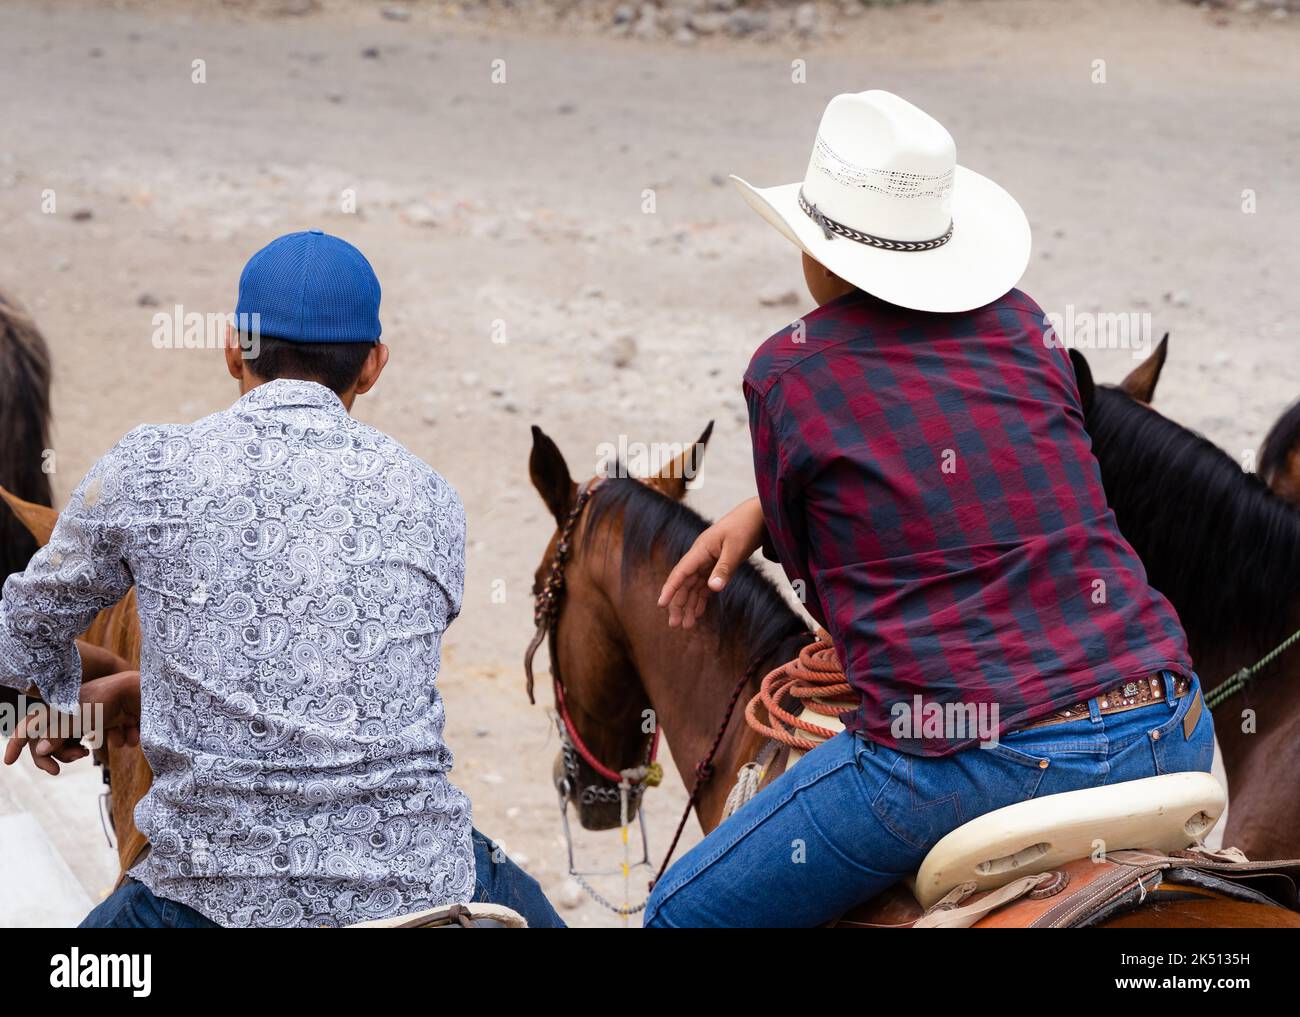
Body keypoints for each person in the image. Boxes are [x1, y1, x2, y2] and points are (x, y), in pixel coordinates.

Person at [645, 91, 1213, 927]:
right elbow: (992, 459)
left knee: (679, 914)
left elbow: (829, 606)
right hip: (1168, 718)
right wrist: (762, 504)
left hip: (967, 758)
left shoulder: (787, 372)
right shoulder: (1025, 324)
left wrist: (782, 511)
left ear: (816, 250)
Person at [0, 230, 563, 928]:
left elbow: (20, 633)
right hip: (415, 876)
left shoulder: (148, 468)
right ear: (374, 366)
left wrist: (61, 697)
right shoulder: (431, 497)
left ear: (233, 347)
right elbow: (336, 680)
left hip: (203, 891)